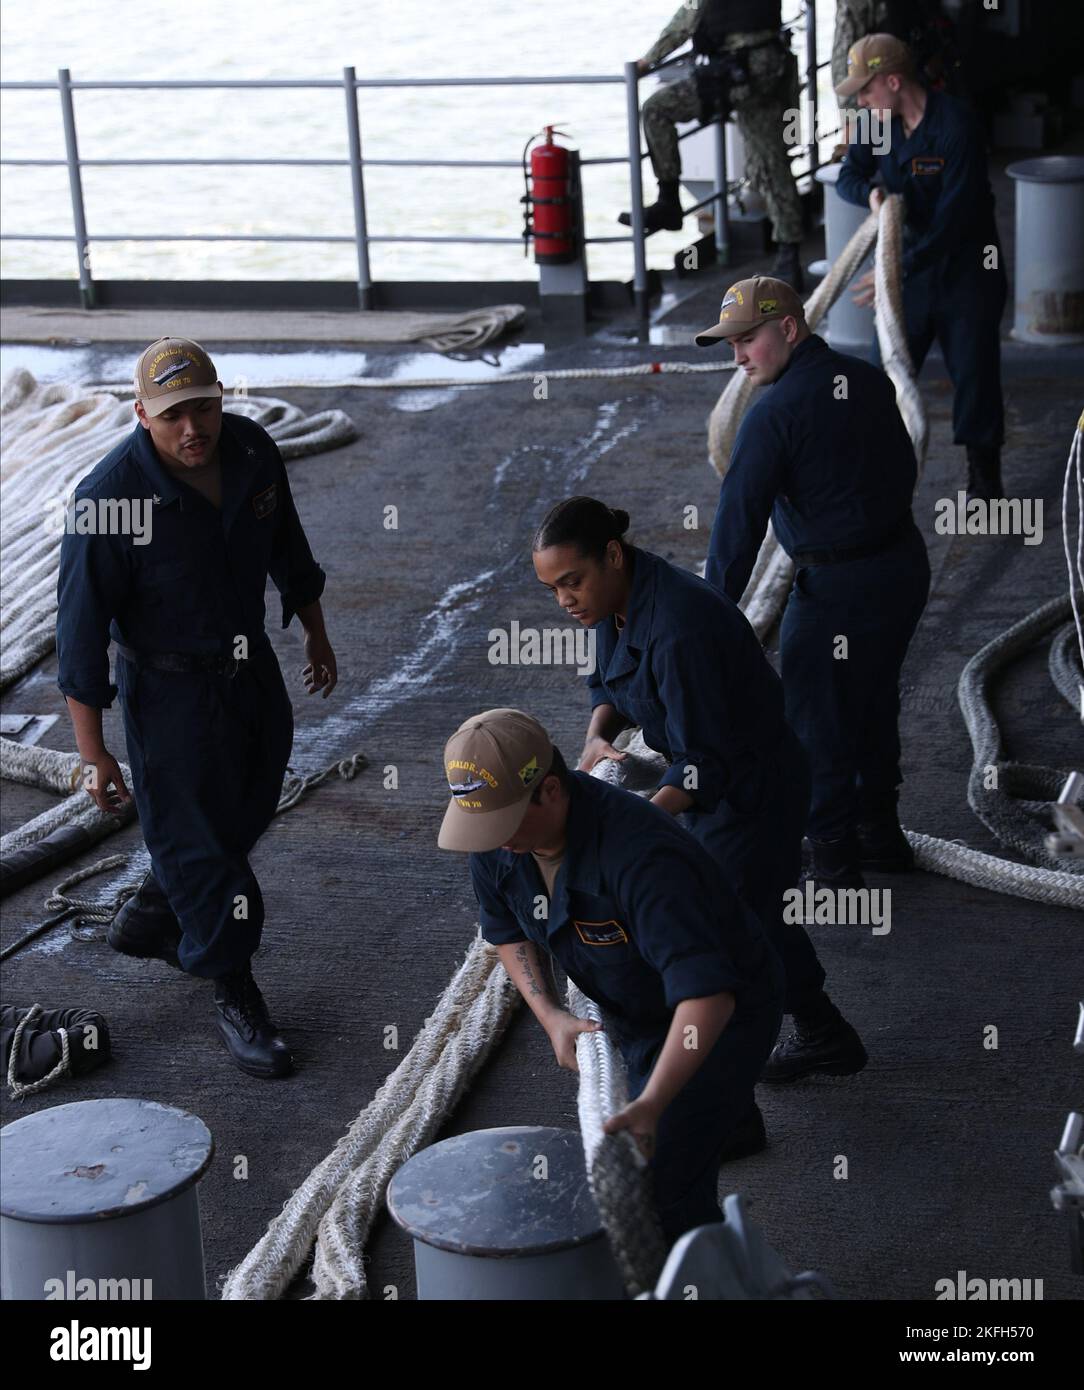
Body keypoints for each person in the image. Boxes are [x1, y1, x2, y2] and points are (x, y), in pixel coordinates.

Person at [56, 336, 337, 1079]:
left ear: (222, 399)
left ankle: (156, 907)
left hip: (251, 673)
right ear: (143, 415)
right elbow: (79, 638)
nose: (194, 428)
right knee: (206, 853)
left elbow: (289, 548)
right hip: (168, 696)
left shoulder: (250, 453)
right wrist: (94, 754)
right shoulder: (108, 501)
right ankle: (233, 986)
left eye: (204, 407)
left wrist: (315, 632)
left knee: (248, 807)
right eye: (175, 414)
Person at [531, 496, 866, 1084]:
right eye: (553, 589)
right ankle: (823, 1030)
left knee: (726, 922)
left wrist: (635, 828)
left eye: (572, 582)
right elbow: (607, 681)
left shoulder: (679, 629)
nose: (565, 601)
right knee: (748, 910)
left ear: (612, 555)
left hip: (752, 789)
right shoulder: (614, 602)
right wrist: (594, 737)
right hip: (714, 779)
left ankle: (750, 1071)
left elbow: (703, 764)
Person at [437, 707, 784, 1243]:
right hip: (633, 1003)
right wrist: (551, 1016)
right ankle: (727, 1123)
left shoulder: (643, 858)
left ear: (550, 790)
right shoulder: (499, 834)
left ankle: (708, 1268)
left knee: (656, 1193)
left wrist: (650, 1106)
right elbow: (506, 930)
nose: (495, 840)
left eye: (503, 823)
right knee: (684, 1124)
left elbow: (708, 999)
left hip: (718, 1015)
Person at [698, 275, 930, 898]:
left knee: (815, 722)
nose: (739, 356)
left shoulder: (773, 414)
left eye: (747, 340)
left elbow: (736, 527)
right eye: (731, 345)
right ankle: (881, 834)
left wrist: (707, 619)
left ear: (789, 329)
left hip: (836, 589)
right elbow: (904, 468)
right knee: (874, 698)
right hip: (902, 569)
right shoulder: (868, 379)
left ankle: (831, 863)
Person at [835, 33, 1006, 498]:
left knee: (975, 376)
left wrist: (896, 269)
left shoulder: (957, 125)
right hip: (910, 269)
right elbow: (846, 176)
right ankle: (875, 480)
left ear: (894, 81)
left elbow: (954, 222)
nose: (862, 99)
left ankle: (984, 483)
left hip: (967, 268)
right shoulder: (876, 123)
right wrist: (868, 194)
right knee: (879, 374)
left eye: (866, 89)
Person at [618, 0, 805, 288]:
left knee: (656, 110)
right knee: (772, 161)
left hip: (738, 72)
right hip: (769, 66)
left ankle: (668, 200)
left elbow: (687, 19)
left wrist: (648, 60)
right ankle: (789, 256)